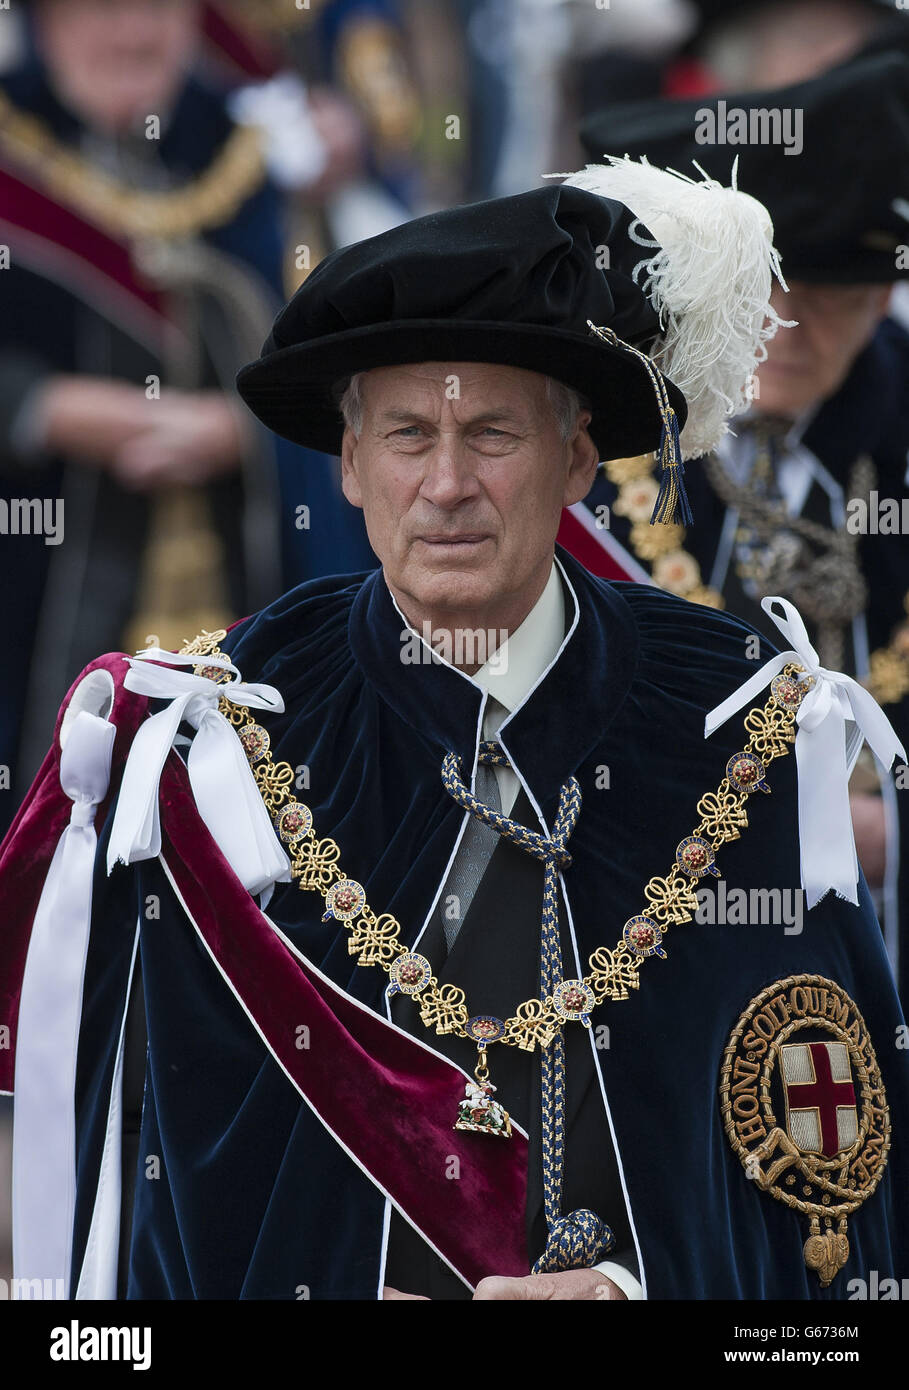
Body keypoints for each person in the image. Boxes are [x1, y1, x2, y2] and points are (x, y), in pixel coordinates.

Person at [1, 172, 905, 1301]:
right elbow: (171, 1194)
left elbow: (830, 1189)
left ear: (580, 463)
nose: (446, 486)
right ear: (348, 466)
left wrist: (635, 1291)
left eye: (492, 434)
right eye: (407, 434)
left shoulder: (741, 726)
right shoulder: (222, 743)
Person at [577, 48, 909, 1004]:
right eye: (764, 292)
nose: (790, 331)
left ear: (886, 292)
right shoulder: (598, 428)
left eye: (834, 295)